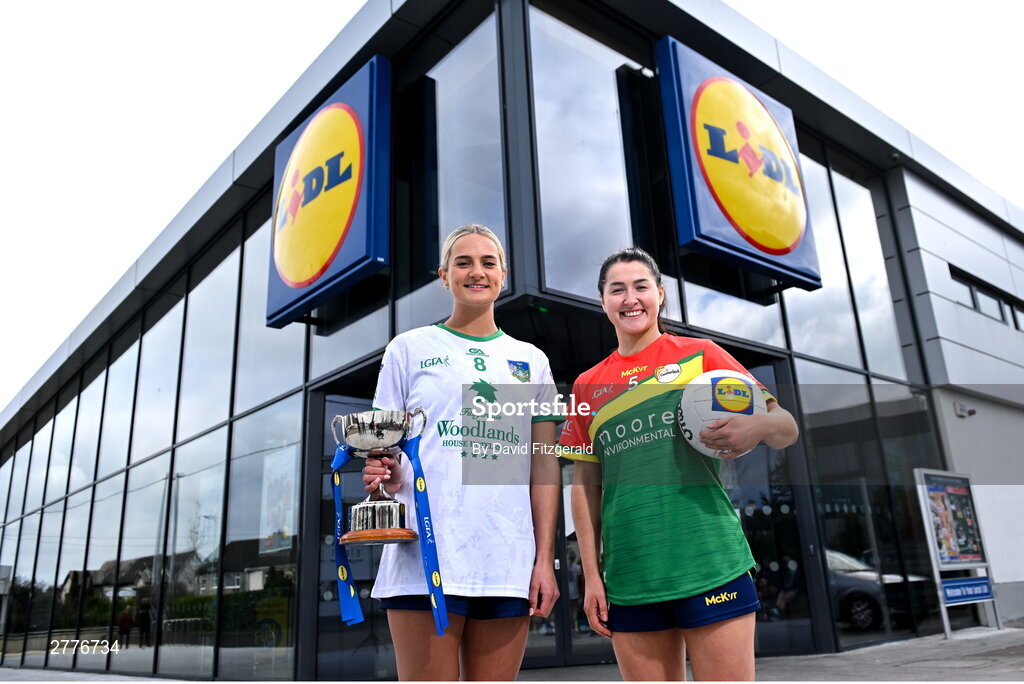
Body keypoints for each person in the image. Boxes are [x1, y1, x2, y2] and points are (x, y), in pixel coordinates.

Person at [560, 247, 799, 681]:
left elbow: (786, 428)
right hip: (631, 576)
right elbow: (585, 484)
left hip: (709, 561)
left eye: (640, 287)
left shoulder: (700, 356)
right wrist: (592, 576)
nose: (630, 298)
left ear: (660, 294)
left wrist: (758, 425)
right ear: (603, 301)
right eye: (618, 290)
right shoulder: (587, 385)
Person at [362, 224, 562, 680]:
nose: (477, 272)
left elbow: (544, 465)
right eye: (463, 262)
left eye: (488, 262)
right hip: (424, 557)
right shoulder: (409, 349)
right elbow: (381, 450)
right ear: (444, 276)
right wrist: (383, 475)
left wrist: (543, 560)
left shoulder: (531, 359)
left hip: (506, 560)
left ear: (504, 275)